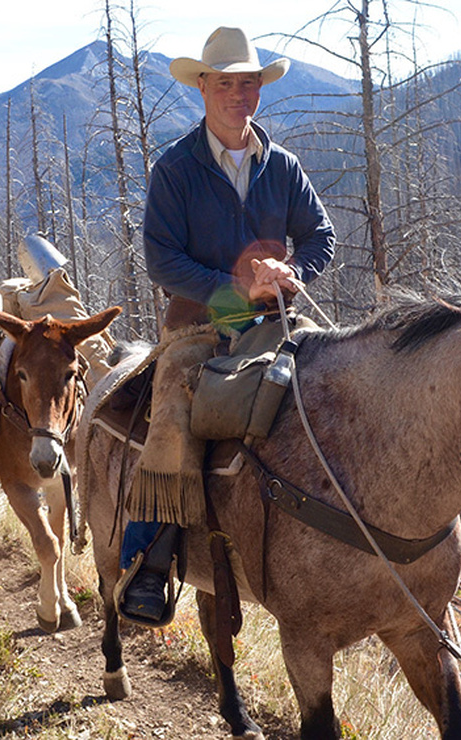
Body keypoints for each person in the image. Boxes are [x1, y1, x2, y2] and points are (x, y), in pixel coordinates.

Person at [117, 26, 335, 626]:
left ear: (259, 90)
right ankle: (148, 563)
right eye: (225, 84)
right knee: (173, 412)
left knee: (343, 390)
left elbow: (322, 237)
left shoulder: (282, 165)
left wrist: (290, 271)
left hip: (279, 318)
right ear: (204, 89)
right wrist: (238, 289)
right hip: (199, 328)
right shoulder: (176, 170)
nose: (238, 94)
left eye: (248, 83)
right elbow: (162, 260)